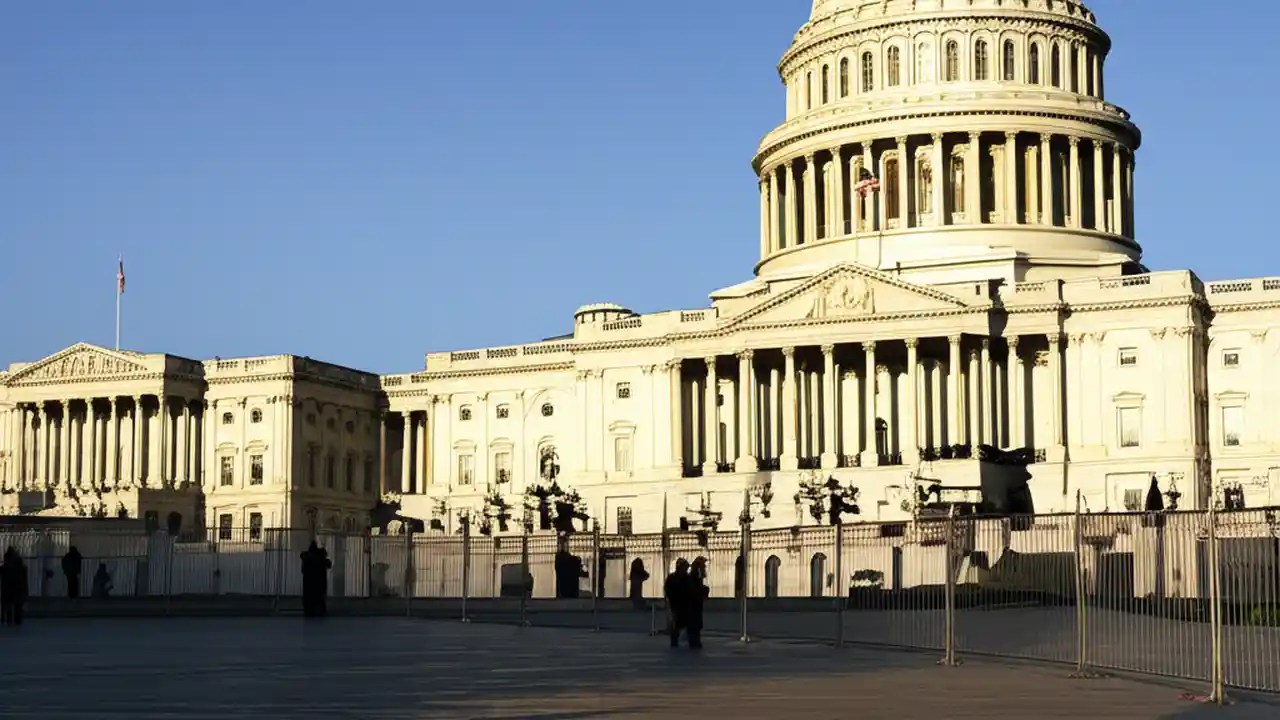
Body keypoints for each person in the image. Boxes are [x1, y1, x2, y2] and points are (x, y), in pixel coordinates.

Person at [663, 559, 691, 648]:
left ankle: (679, 639)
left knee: (684, 622)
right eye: (685, 567)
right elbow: (668, 590)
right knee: (677, 623)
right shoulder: (674, 578)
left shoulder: (685, 577)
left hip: (683, 603)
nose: (686, 569)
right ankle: (674, 640)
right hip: (677, 603)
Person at [299, 541, 332, 618]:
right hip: (320, 583)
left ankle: (310, 612)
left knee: (309, 601)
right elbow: (329, 564)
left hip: (308, 584)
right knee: (320, 600)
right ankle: (319, 612)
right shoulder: (321, 556)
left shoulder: (307, 557)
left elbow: (303, 570)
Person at [686, 558, 710, 649]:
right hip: (693, 604)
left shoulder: (696, 577)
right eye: (703, 566)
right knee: (694, 623)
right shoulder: (695, 577)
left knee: (695, 623)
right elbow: (695, 590)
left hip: (695, 604)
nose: (705, 568)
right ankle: (694, 642)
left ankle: (695, 641)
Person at [1, 546, 28, 626]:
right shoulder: (22, 568)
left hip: (8, 588)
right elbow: (24, 580)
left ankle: (9, 619)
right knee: (17, 605)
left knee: (8, 604)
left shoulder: (6, 567)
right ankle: (17, 620)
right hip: (18, 588)